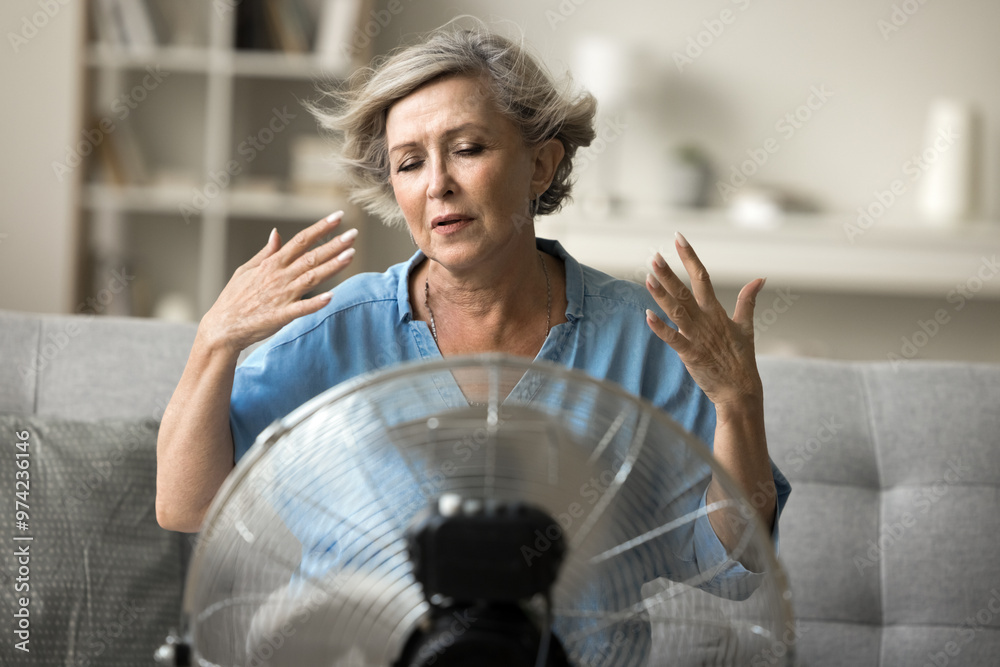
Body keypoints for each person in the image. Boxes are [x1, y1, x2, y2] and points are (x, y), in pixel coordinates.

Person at [156, 16, 789, 635]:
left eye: (468, 149)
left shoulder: (643, 337)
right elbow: (187, 504)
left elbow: (734, 562)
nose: (438, 185)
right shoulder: (338, 331)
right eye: (408, 164)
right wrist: (215, 340)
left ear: (540, 166)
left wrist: (739, 404)